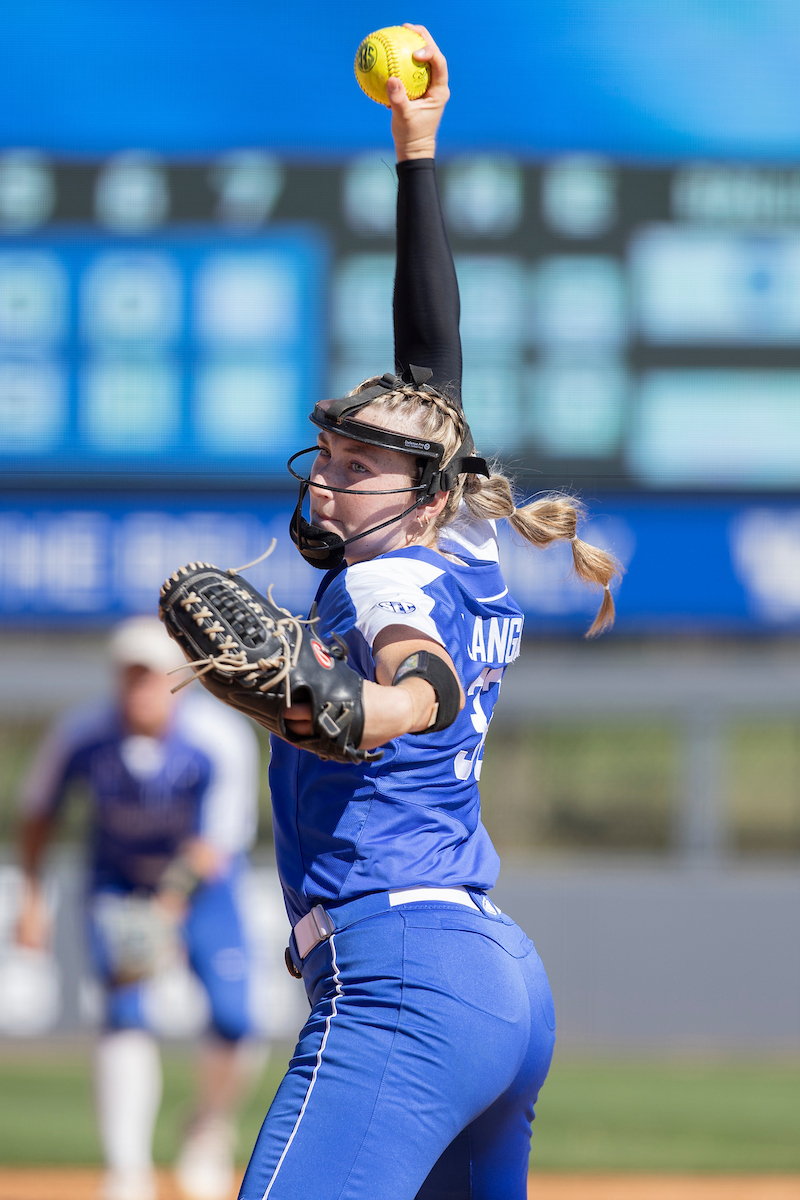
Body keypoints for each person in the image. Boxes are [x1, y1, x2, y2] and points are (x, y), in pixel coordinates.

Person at [231, 24, 621, 1200]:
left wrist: (364, 704)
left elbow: (415, 676)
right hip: (497, 978)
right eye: (330, 456)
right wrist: (417, 150)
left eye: (358, 468)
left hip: (400, 987)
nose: (328, 479)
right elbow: (431, 367)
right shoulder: (453, 530)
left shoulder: (380, 576)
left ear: (422, 494)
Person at [16, 616, 263, 1200]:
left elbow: (218, 844)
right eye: (130, 675)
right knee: (125, 1015)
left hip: (201, 890)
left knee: (235, 1020)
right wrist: (31, 899)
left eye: (151, 675)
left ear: (178, 679)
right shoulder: (83, 733)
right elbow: (37, 814)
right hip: (119, 884)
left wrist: (170, 905)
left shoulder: (218, 737)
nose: (140, 688)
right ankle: (126, 1169)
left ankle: (207, 1125)